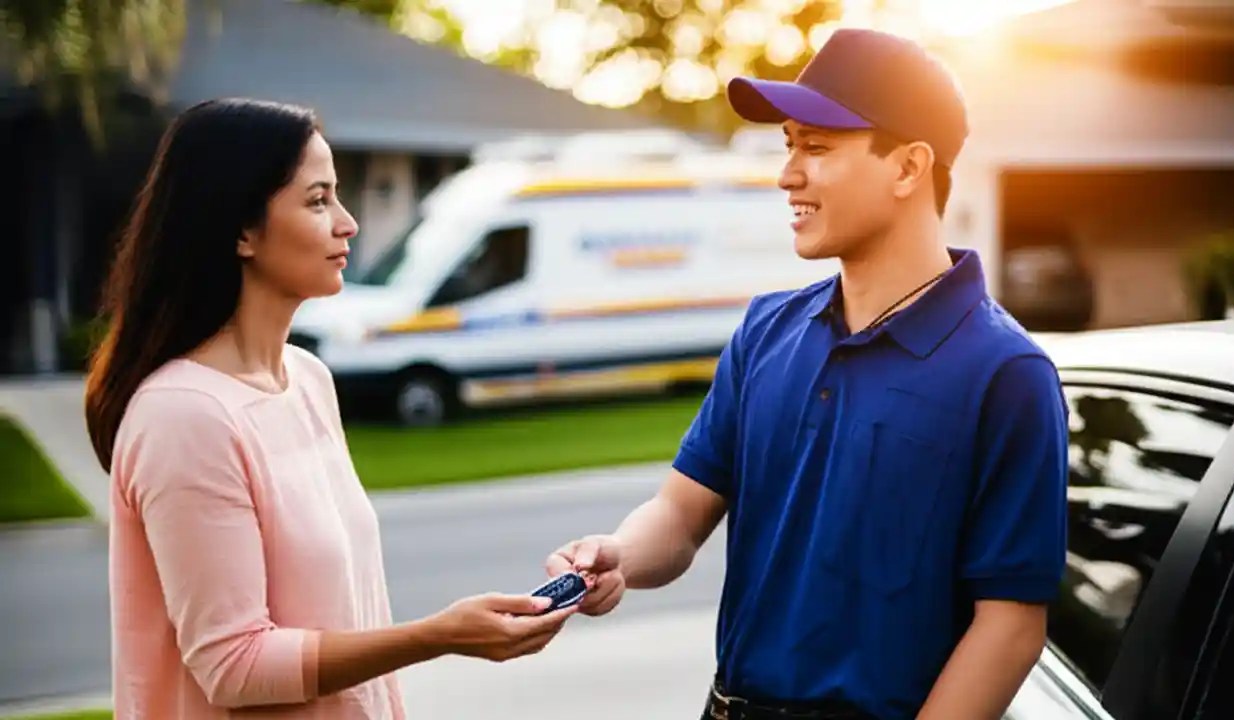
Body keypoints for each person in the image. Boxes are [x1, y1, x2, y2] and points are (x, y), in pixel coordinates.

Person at [546, 29, 1069, 720]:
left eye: (816, 148)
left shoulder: (1007, 373)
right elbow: (679, 515)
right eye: (788, 145)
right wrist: (619, 554)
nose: (787, 175)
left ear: (908, 168)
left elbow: (1009, 627)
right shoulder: (765, 331)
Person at [84, 98, 575, 719]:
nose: (349, 224)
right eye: (318, 201)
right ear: (241, 231)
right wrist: (438, 636)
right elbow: (234, 666)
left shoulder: (308, 380)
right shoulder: (185, 416)